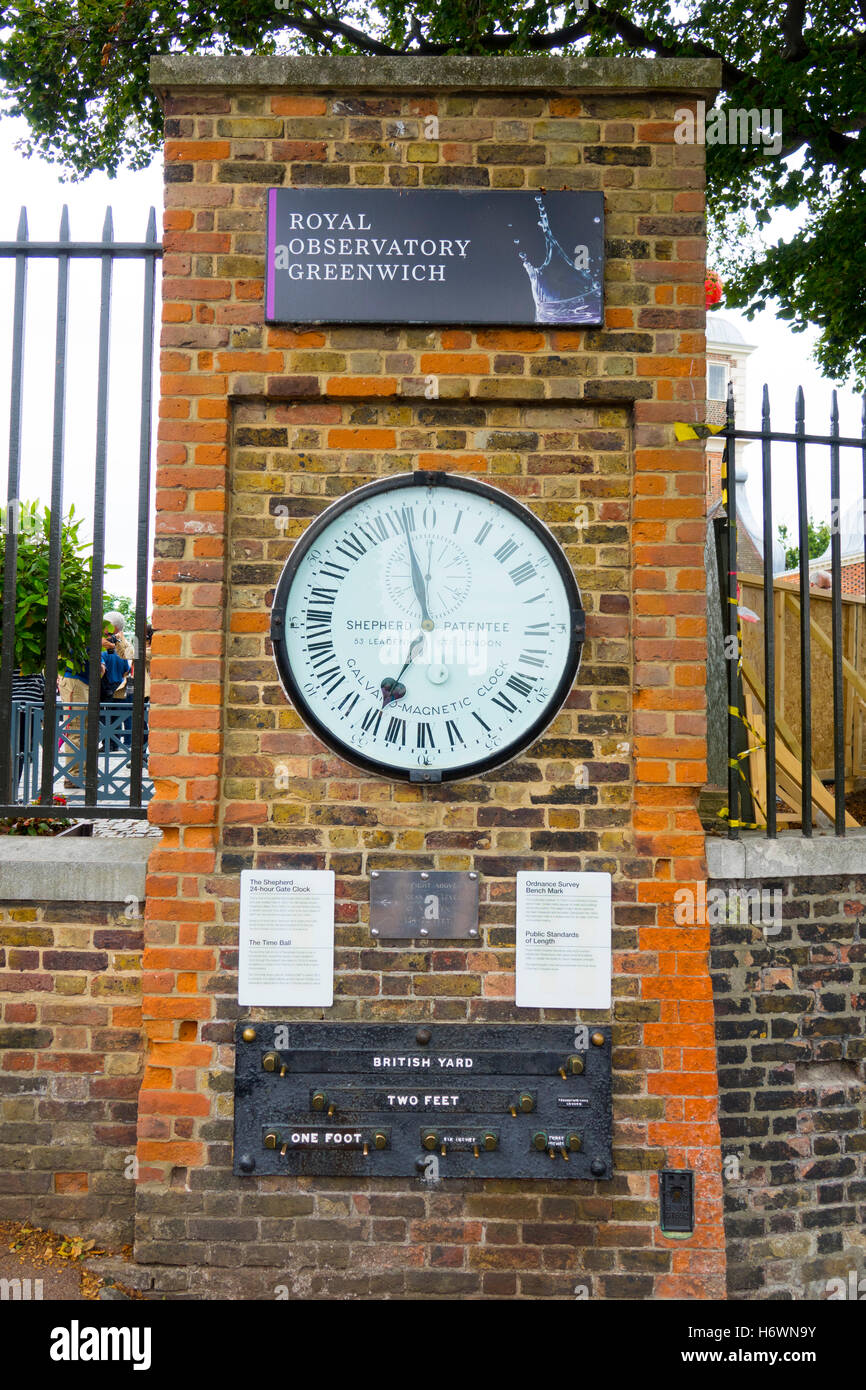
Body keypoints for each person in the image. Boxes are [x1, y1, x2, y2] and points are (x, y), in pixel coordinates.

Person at [11, 668, 46, 801]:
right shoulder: (35, 662)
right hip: (31, 707)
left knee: (14, 750)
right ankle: (13, 790)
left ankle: (11, 790)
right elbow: (42, 685)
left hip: (12, 705)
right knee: (20, 751)